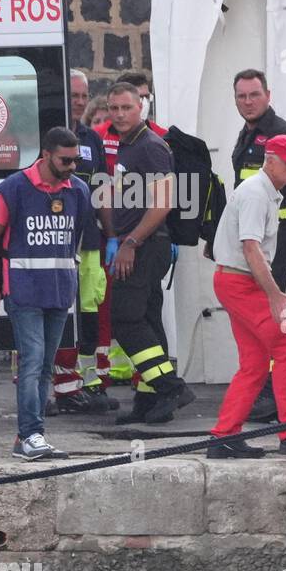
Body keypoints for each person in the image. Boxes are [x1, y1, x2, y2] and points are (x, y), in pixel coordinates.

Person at [207, 135, 286, 458]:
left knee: (255, 364)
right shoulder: (257, 194)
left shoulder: (263, 192)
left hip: (235, 282)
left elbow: (250, 248)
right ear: (271, 161)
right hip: (241, 283)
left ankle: (224, 435)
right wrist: (275, 295)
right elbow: (250, 247)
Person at [0, 127, 97, 460]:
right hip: (24, 289)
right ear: (46, 155)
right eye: (66, 159)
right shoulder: (14, 188)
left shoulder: (79, 190)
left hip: (59, 290)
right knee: (32, 363)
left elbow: (74, 239)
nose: (73, 165)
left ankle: (31, 436)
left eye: (76, 159)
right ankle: (30, 435)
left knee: (45, 365)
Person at [230, 68, 286, 422]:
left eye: (254, 95)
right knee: (261, 310)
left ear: (268, 95)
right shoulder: (247, 134)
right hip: (256, 237)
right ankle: (264, 387)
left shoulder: (282, 134)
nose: (248, 102)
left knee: (270, 310)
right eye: (241, 96)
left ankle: (271, 391)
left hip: (280, 237)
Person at [104, 82, 195, 424]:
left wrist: (130, 243)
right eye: (114, 108)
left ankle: (171, 387)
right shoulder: (128, 146)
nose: (120, 114)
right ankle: (150, 399)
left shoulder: (150, 147)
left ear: (140, 106)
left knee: (126, 321)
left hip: (144, 245)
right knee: (148, 320)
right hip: (139, 244)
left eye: (126, 107)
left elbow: (164, 201)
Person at [48, 69, 114, 415]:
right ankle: (63, 386)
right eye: (73, 94)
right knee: (60, 313)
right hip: (54, 241)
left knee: (90, 313)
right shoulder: (48, 136)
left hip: (89, 241)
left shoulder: (92, 140)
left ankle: (91, 386)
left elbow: (103, 190)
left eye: (83, 96)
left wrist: (111, 235)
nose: (78, 101)